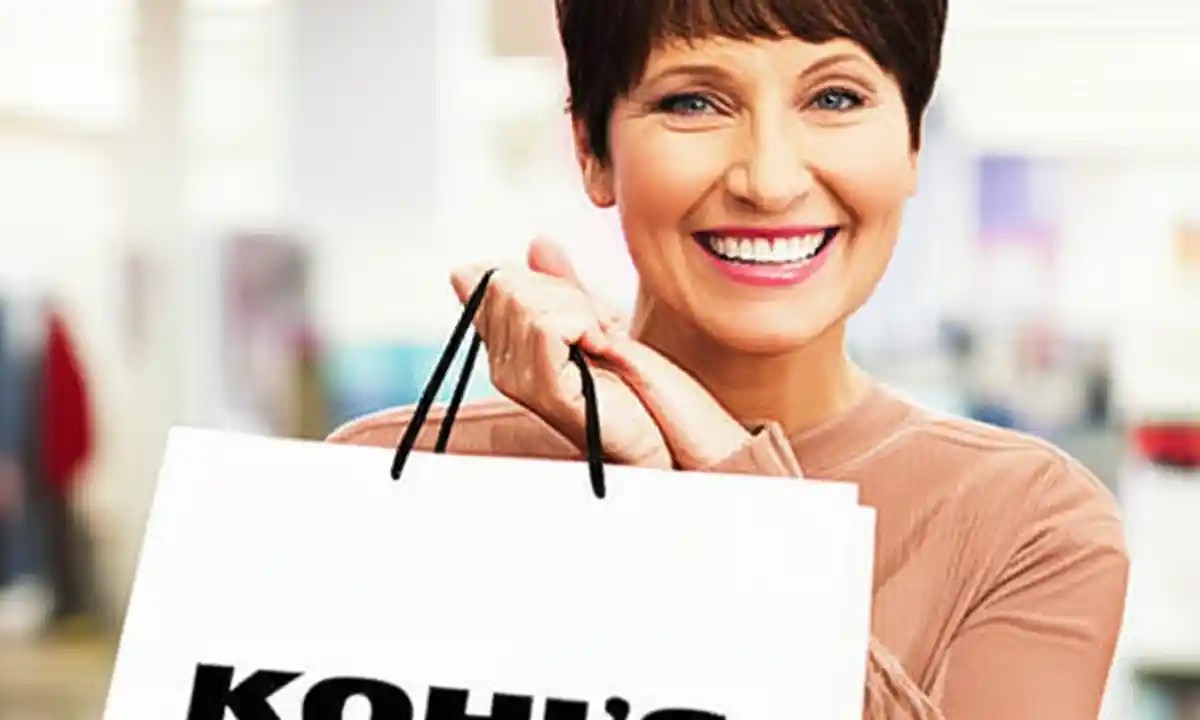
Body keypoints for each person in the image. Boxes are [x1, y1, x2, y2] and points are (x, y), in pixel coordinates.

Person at [330, 1, 1129, 717]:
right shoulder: (396, 479)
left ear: (913, 141)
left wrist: (720, 482)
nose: (770, 181)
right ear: (592, 151)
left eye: (835, 98)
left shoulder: (1030, 527)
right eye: (694, 102)